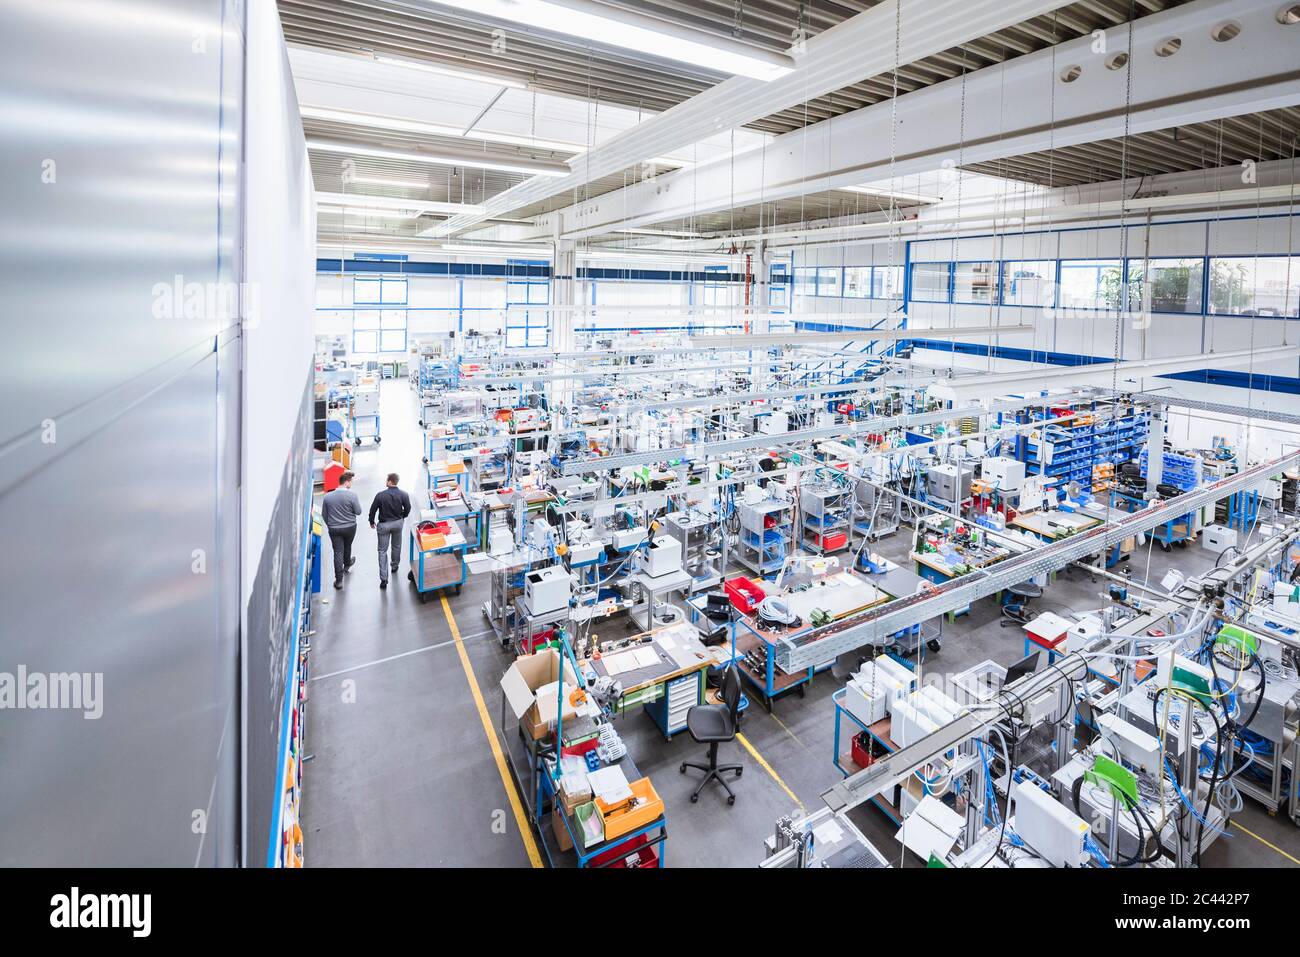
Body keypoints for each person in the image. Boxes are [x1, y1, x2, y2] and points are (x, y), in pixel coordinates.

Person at [369, 472, 411, 590]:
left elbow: (373, 510)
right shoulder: (403, 494)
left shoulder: (380, 495)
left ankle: (384, 579)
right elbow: (408, 508)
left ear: (390, 481)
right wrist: (402, 516)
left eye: (387, 480)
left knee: (382, 551)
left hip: (384, 525)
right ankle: (394, 565)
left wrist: (371, 521)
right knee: (396, 545)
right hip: (398, 523)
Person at [321, 471, 362, 590]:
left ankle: (339, 581)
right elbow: (358, 511)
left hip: (334, 528)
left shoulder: (328, 496)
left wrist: (331, 525)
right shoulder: (352, 495)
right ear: (347, 482)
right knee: (348, 545)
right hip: (350, 527)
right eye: (351, 482)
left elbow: (324, 514)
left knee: (338, 552)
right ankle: (347, 564)